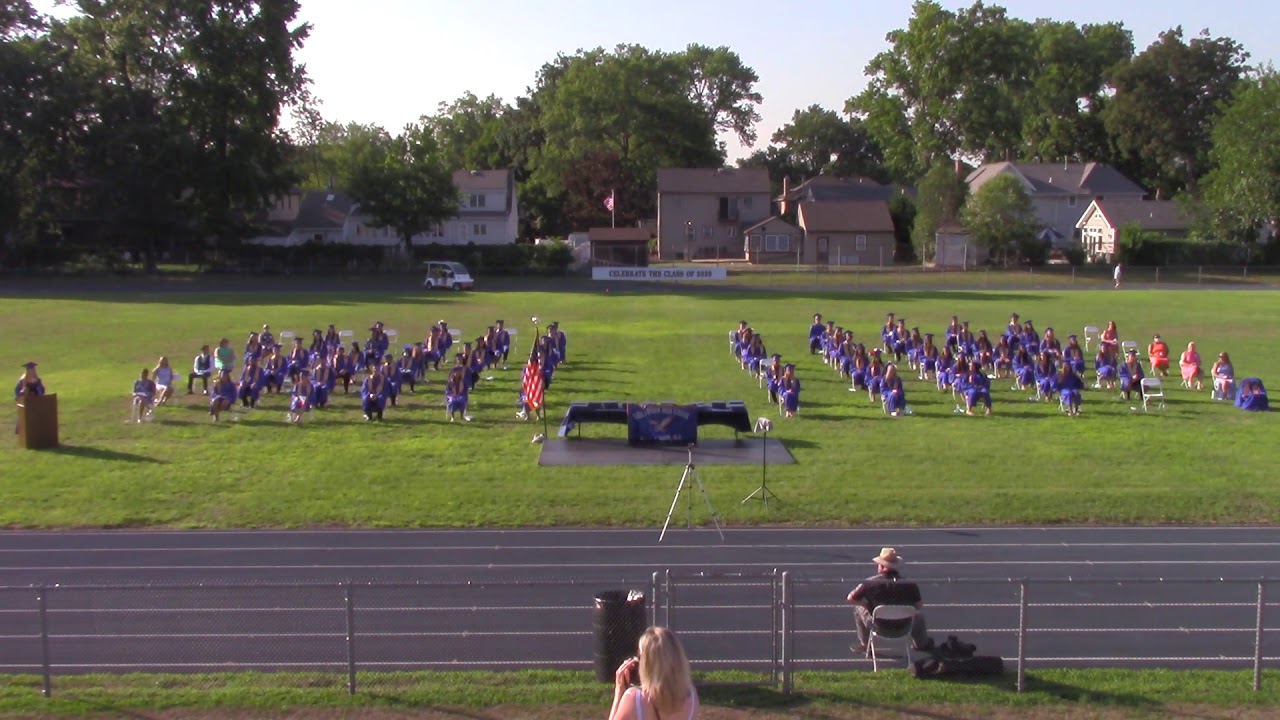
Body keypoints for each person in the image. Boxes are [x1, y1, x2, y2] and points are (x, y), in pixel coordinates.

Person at [846, 548, 933, 655]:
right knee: (918, 616)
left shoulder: (869, 583)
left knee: (857, 608)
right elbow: (918, 605)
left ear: (881, 566)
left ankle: (865, 644)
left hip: (878, 626)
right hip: (904, 627)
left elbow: (851, 598)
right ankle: (921, 644)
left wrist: (866, 605)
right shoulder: (910, 584)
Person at [608, 626, 698, 720]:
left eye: (640, 657)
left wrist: (619, 692)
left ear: (648, 663)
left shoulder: (635, 699)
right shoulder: (691, 696)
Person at [14, 362, 45, 434]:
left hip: (35, 400)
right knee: (23, 414)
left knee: (35, 414)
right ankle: (20, 430)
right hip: (25, 400)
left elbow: (42, 389)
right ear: (27, 371)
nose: (32, 372)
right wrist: (21, 393)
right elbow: (17, 390)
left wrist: (38, 392)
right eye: (30, 370)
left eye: (33, 370)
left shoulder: (37, 379)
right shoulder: (22, 380)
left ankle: (36, 429)